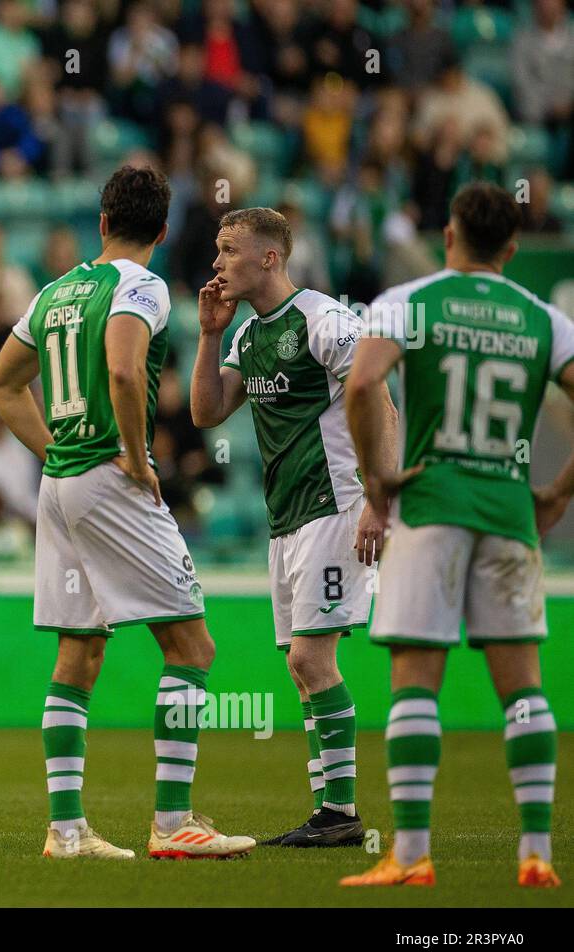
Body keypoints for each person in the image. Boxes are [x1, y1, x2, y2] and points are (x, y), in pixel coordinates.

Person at [0, 164, 255, 860]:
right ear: (162, 232)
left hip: (63, 482)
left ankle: (67, 829)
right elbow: (127, 370)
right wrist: (136, 457)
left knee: (80, 648)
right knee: (191, 647)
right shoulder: (141, 285)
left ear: (102, 222)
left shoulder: (55, 290)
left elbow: (2, 387)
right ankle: (172, 822)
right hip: (110, 475)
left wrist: (57, 450)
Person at [342, 182, 573, 889]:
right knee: (524, 687)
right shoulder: (545, 321)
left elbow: (360, 387)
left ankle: (410, 853)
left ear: (448, 235)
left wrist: (379, 480)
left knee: (417, 679)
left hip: (433, 500)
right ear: (511, 246)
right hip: (508, 507)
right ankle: (537, 850)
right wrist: (558, 493)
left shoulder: (411, 301)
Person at [189, 207, 399, 847]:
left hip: (335, 507)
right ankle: (331, 812)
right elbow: (205, 412)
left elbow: (381, 403)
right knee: (301, 665)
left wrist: (377, 500)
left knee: (313, 657)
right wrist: (205, 335)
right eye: (218, 250)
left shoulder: (326, 320)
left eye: (229, 250)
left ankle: (340, 816)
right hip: (285, 518)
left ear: (270, 258)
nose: (218, 261)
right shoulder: (247, 336)